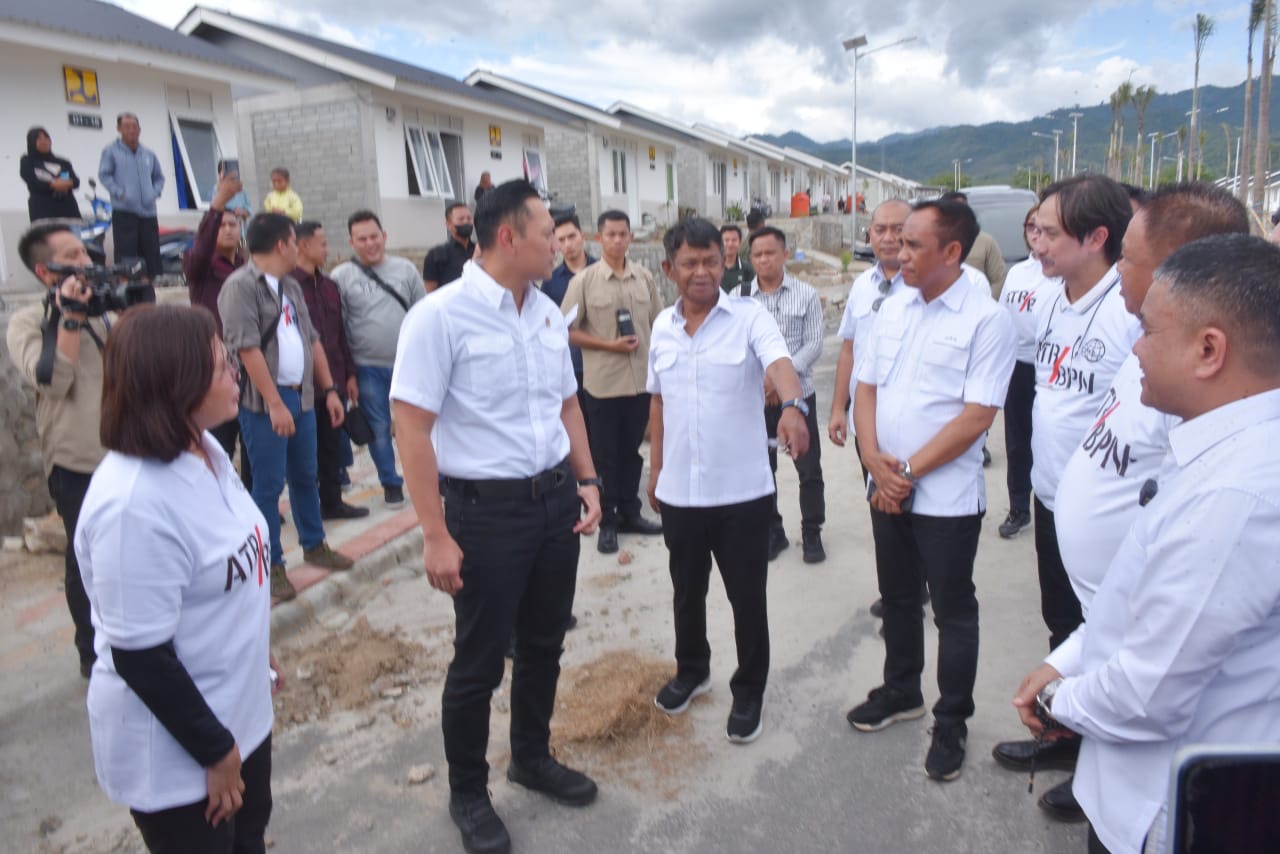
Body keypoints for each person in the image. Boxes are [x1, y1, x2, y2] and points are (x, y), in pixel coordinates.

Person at [1013, 234, 1280, 854]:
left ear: (1209, 349)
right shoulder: (1219, 447)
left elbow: (1144, 696)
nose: (1134, 349)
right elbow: (1140, 598)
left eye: (1149, 333)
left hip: (1158, 812)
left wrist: (1057, 698)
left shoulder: (1237, 497)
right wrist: (1071, 658)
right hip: (1136, 786)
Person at [389, 179, 602, 854]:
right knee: (479, 661)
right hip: (485, 515)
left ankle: (531, 758)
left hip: (552, 506)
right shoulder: (440, 317)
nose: (559, 244)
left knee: (543, 644)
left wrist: (588, 480)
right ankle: (468, 792)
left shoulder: (545, 310)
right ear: (508, 236)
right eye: (548, 234)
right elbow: (411, 427)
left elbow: (567, 405)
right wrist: (435, 534)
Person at [74, 304, 275, 853]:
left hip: (240, 708)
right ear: (176, 383)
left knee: (250, 834)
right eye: (219, 365)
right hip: (179, 748)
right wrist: (215, 751)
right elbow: (141, 655)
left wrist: (261, 651)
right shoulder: (132, 505)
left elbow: (234, 568)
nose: (235, 372)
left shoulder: (205, 447)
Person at [846, 198, 1016, 782]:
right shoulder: (894, 304)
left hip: (943, 499)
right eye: (896, 239)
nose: (896, 250)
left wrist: (907, 472)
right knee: (896, 599)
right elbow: (864, 387)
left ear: (951, 251)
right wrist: (873, 460)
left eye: (913, 243)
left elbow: (976, 417)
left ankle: (952, 719)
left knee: (952, 611)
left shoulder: (986, 319)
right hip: (886, 484)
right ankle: (902, 691)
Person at [990, 174, 1137, 820]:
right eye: (1036, 230)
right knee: (1064, 628)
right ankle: (1065, 734)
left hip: (1109, 520)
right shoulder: (1053, 298)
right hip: (1054, 500)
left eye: (1049, 232)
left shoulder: (1128, 312)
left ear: (1097, 237)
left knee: (1106, 643)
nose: (1036, 244)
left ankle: (1097, 772)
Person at [646, 217, 810, 744]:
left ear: (725, 262)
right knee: (686, 593)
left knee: (747, 597)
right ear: (670, 268)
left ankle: (749, 690)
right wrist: (655, 467)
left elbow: (781, 362)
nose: (701, 271)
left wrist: (791, 405)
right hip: (681, 494)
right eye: (689, 262)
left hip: (741, 494)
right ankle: (692, 670)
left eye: (711, 261)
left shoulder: (749, 317)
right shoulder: (661, 327)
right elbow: (657, 399)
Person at [218, 213, 354, 603]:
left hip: (303, 396)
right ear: (281, 244)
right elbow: (246, 349)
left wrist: (328, 389)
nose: (300, 247)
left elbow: (311, 341)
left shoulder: (290, 287)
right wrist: (274, 403)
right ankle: (272, 563)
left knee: (305, 474)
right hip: (265, 402)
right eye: (295, 240)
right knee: (268, 485)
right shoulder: (240, 288)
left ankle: (314, 543)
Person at [6, 224, 111, 677]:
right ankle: (92, 653)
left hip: (124, 453)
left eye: (86, 253)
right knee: (85, 560)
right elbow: (52, 380)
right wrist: (68, 316)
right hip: (77, 461)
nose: (86, 261)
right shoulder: (28, 322)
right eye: (74, 255)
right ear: (46, 270)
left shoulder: (101, 312)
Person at [829, 199, 923, 619]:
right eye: (880, 229)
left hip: (911, 424)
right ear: (868, 234)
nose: (888, 237)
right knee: (881, 512)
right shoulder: (863, 286)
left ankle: (917, 590)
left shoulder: (926, 285)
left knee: (915, 512)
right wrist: (837, 408)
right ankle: (895, 593)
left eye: (897, 228)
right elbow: (849, 349)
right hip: (867, 425)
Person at [561, 210, 664, 554]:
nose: (617, 240)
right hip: (603, 386)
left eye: (623, 234)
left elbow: (659, 324)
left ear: (631, 237)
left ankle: (631, 513)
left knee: (632, 453)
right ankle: (606, 521)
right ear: (598, 238)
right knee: (604, 456)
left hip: (640, 384)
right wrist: (609, 345)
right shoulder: (584, 282)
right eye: (611, 235)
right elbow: (565, 330)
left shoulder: (645, 278)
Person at [331, 211, 426, 505]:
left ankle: (429, 479)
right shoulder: (341, 277)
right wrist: (348, 374)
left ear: (384, 236)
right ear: (351, 242)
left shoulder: (406, 270)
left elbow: (422, 314)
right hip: (366, 367)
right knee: (379, 430)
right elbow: (338, 328)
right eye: (362, 239)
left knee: (419, 427)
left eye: (374, 236)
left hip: (408, 365)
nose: (370, 243)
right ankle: (390, 482)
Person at [747, 226, 826, 563]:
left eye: (770, 253)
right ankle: (772, 531)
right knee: (764, 469)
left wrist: (780, 379)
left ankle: (812, 532)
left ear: (784, 254)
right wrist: (765, 381)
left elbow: (814, 344)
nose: (764, 259)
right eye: (757, 254)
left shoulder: (806, 294)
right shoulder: (740, 299)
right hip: (758, 400)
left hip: (799, 399)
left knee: (808, 469)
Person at [293, 221, 367, 521]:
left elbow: (339, 333)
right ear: (302, 246)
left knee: (332, 446)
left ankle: (333, 502)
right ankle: (307, 513)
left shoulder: (329, 286)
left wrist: (349, 374)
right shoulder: (288, 287)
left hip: (334, 379)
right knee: (305, 454)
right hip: (303, 384)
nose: (327, 250)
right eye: (322, 244)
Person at [185, 170, 253, 489]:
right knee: (220, 439)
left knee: (252, 437)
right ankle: (217, 493)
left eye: (232, 224)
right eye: (221, 224)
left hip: (250, 359)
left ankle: (253, 498)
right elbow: (198, 251)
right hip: (216, 364)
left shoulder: (245, 266)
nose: (227, 229)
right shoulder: (201, 266)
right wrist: (217, 206)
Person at [995, 204, 1056, 539]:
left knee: (1044, 437)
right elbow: (1005, 315)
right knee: (1017, 441)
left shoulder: (1059, 273)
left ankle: (1051, 504)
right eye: (1030, 225)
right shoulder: (1018, 273)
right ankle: (1019, 507)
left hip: (1048, 366)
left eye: (1043, 227)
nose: (1035, 232)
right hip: (1017, 364)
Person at [543, 212, 597, 415]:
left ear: (582, 236)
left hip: (603, 364)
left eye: (572, 237)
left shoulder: (602, 272)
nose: (568, 244)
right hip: (570, 366)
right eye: (561, 239)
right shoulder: (551, 280)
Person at [98, 112, 164, 277]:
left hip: (148, 212)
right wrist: (119, 193)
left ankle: (150, 288)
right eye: (126, 127)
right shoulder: (111, 151)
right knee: (127, 256)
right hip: (124, 212)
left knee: (151, 254)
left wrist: (154, 193)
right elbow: (104, 175)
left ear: (139, 129)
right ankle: (128, 289)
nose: (131, 130)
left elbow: (159, 177)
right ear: (119, 129)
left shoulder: (149, 154)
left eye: (134, 127)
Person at [941, 191, 1007, 297]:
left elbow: (999, 279)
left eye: (963, 209)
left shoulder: (985, 241)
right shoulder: (933, 242)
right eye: (953, 210)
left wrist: (987, 303)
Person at [20, 127, 81, 222]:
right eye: (39, 139)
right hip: (43, 215)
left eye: (46, 138)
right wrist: (53, 184)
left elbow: (76, 182)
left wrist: (65, 183)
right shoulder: (27, 161)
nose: (44, 141)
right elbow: (33, 181)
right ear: (31, 142)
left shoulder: (63, 162)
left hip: (70, 213)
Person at [422, 203, 476, 291]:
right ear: (448, 224)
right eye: (461, 219)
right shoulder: (435, 255)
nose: (466, 222)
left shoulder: (482, 251)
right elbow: (431, 291)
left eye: (469, 218)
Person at [719, 224, 754, 293]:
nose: (730, 244)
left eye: (734, 240)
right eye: (726, 240)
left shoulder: (747, 269)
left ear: (740, 243)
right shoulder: (711, 267)